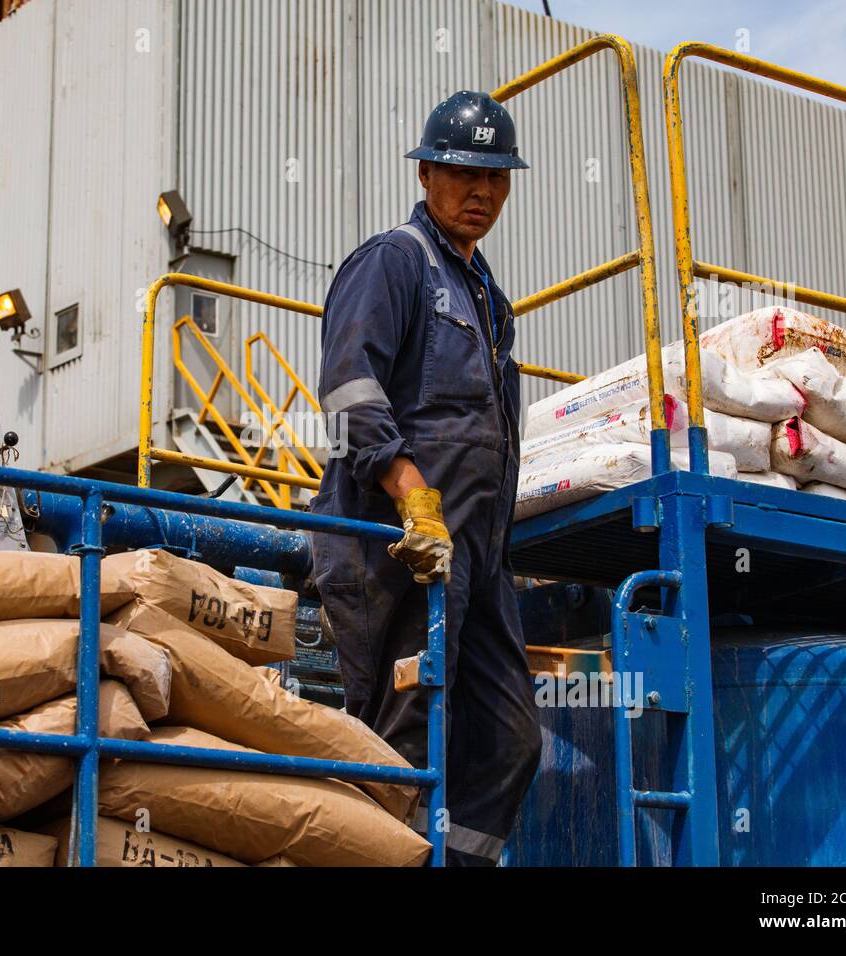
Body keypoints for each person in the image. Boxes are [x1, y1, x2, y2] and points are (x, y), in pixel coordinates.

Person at [310, 90, 541, 866]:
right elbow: (346, 393)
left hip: (478, 557)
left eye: (496, 178)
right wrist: (410, 492)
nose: (481, 193)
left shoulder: (490, 304)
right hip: (391, 548)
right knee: (398, 743)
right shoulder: (393, 263)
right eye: (463, 173)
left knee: (512, 742)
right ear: (427, 172)